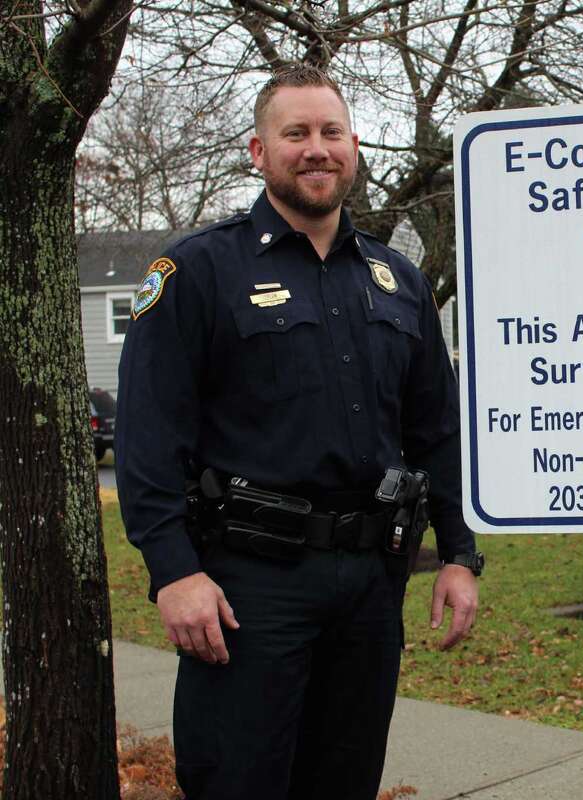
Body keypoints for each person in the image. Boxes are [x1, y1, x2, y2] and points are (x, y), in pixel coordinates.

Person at [115, 65, 484, 800]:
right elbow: (149, 435)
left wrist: (460, 555)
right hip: (249, 585)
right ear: (259, 151)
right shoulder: (197, 271)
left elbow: (438, 430)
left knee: (344, 781)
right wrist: (174, 571)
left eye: (331, 132)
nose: (317, 149)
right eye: (296, 134)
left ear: (353, 149)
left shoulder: (398, 280)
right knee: (239, 783)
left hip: (370, 588)